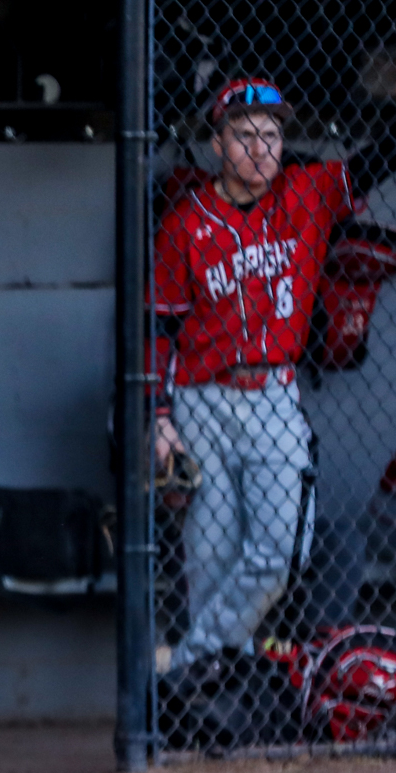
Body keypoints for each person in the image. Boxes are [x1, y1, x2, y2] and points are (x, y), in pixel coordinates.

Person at [150, 78, 395, 683]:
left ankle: (185, 667)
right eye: (243, 137)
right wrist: (159, 419)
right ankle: (210, 705)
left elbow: (375, 162)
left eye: (271, 135)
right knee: (208, 559)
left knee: (281, 552)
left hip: (276, 396)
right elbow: (159, 331)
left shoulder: (308, 193)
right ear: (215, 146)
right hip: (200, 400)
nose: (260, 149)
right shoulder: (184, 223)